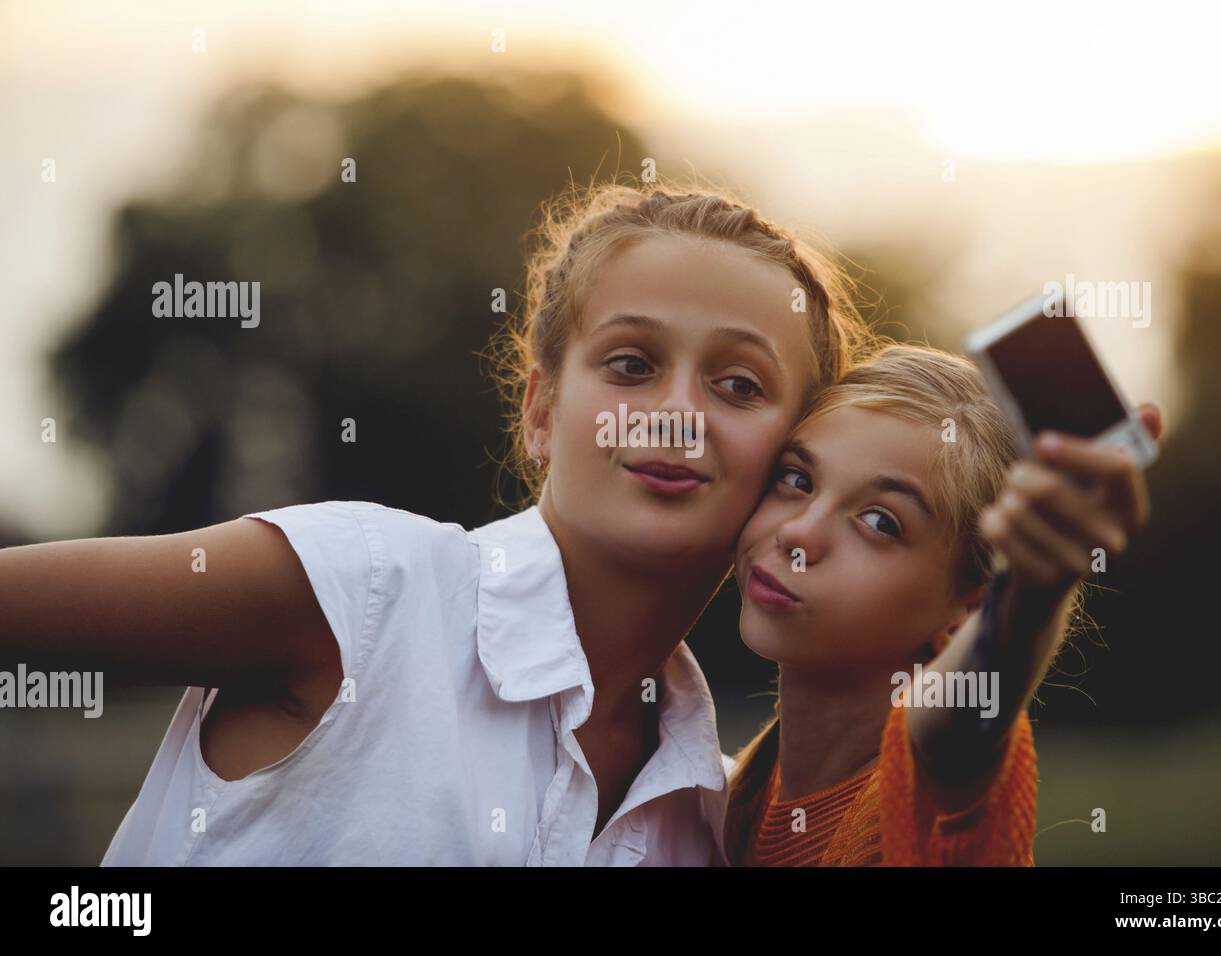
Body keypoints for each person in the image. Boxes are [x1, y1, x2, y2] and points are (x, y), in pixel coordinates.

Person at [0, 177, 878, 865]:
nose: (675, 413)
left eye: (738, 386)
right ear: (540, 411)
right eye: (631, 363)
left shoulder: (716, 820)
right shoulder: (362, 591)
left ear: (794, 467)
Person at [724, 344, 1162, 865]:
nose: (798, 533)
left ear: (967, 614)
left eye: (880, 522)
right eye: (797, 479)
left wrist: (1032, 590)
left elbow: (962, 718)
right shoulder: (716, 796)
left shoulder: (935, 806)